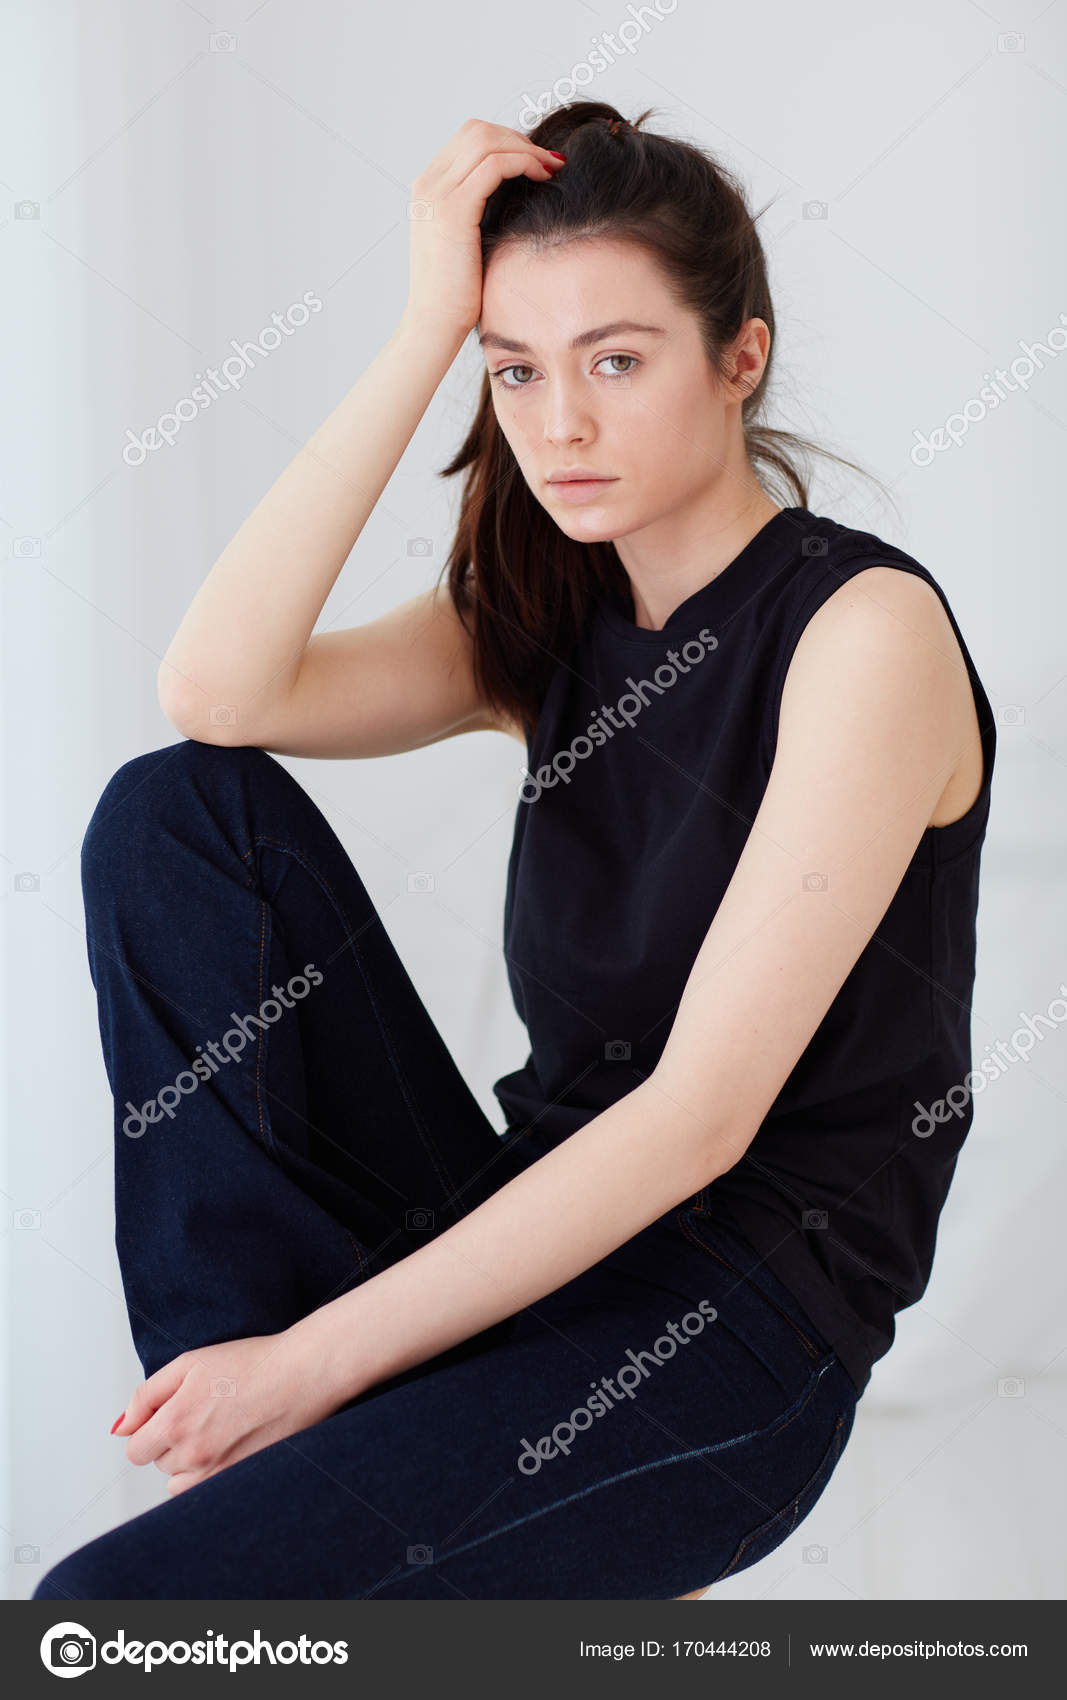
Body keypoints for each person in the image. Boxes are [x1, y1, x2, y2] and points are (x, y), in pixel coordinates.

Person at [34, 102, 995, 1602]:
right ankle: (251, 1404)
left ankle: (288, 1416)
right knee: (175, 817)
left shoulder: (862, 633)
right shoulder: (542, 618)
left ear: (741, 356)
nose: (560, 425)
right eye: (515, 371)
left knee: (119, 1617)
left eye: (617, 359)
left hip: (728, 1336)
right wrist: (427, 324)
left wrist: (316, 1363)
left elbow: (698, 1124)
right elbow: (215, 698)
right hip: (515, 1231)